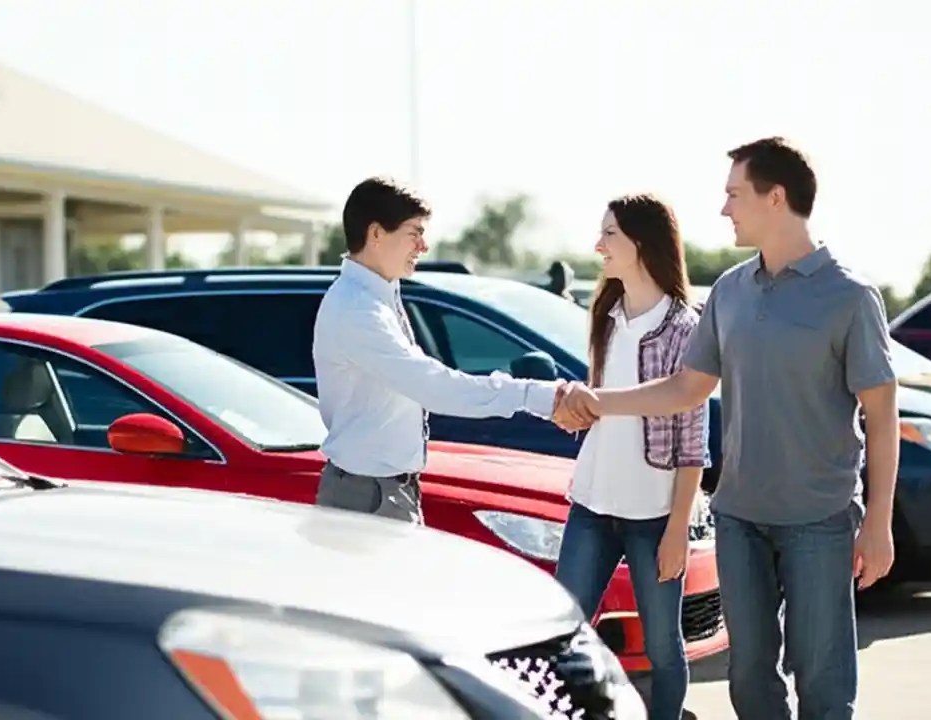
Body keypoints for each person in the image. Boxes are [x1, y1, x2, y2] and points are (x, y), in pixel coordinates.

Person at [557, 137, 898, 720]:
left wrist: (880, 524)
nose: (724, 209)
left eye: (735, 194)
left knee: (822, 680)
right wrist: (598, 403)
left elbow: (882, 415)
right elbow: (687, 389)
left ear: (776, 197)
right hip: (739, 516)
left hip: (819, 518)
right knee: (748, 679)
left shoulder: (849, 296)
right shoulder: (730, 292)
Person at [312, 176, 567, 524]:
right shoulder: (358, 309)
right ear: (375, 234)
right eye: (414, 232)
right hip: (368, 496)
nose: (423, 246)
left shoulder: (376, 296)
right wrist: (537, 395)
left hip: (381, 491)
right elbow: (435, 387)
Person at [554, 194, 708, 720]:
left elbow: (693, 443)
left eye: (610, 235)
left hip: (654, 516)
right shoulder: (606, 316)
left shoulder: (685, 329)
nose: (599, 246)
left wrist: (677, 530)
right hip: (592, 505)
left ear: (642, 242)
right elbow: (602, 405)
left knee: (664, 648)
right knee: (560, 634)